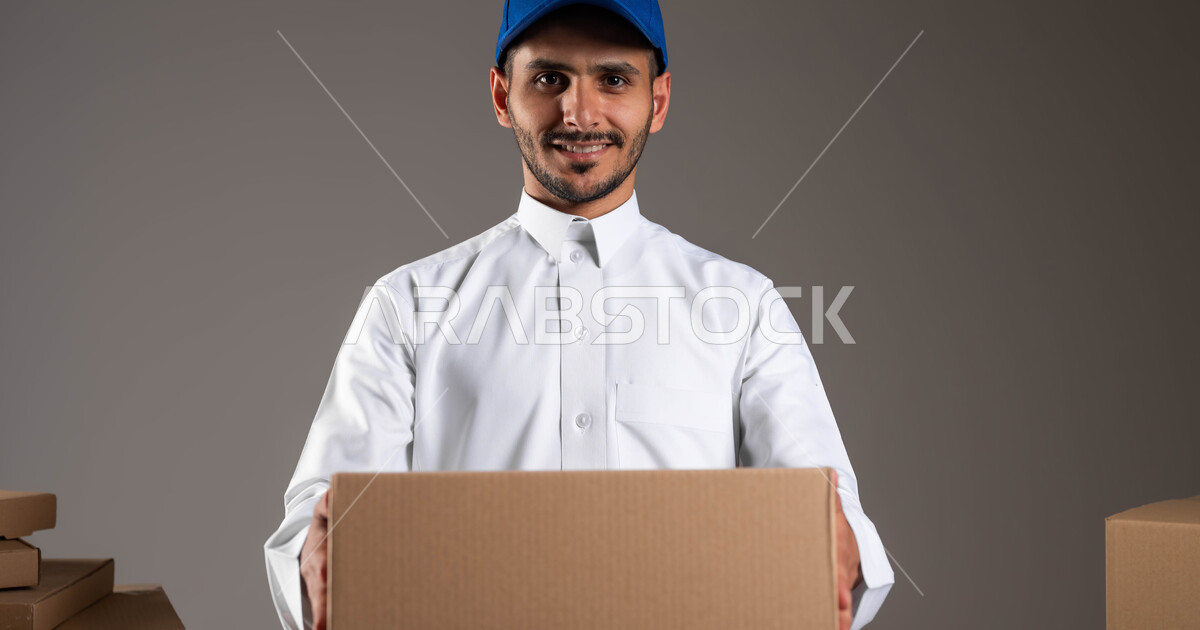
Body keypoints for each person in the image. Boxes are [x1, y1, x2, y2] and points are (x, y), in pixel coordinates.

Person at [263, 1, 895, 629]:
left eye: (614, 79)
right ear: (501, 94)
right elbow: (318, 531)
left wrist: (832, 543)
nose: (580, 113)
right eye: (549, 79)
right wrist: (322, 555)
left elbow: (831, 523)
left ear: (660, 99)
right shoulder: (406, 306)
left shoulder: (744, 307)